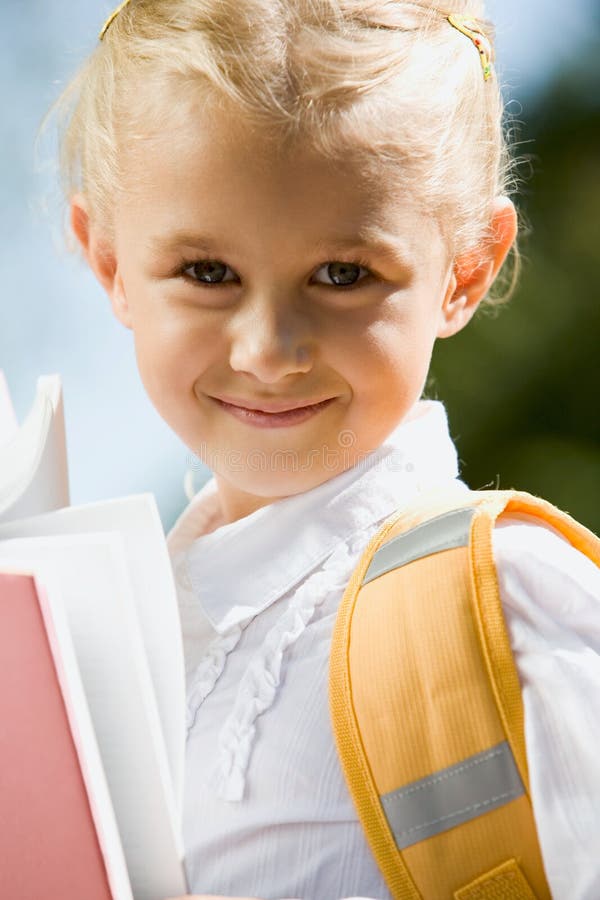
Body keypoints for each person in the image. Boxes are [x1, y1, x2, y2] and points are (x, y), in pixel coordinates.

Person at [47, 0, 599, 897]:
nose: (268, 350)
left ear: (465, 270)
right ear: (109, 263)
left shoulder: (508, 603)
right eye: (207, 273)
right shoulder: (94, 647)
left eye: (344, 275)